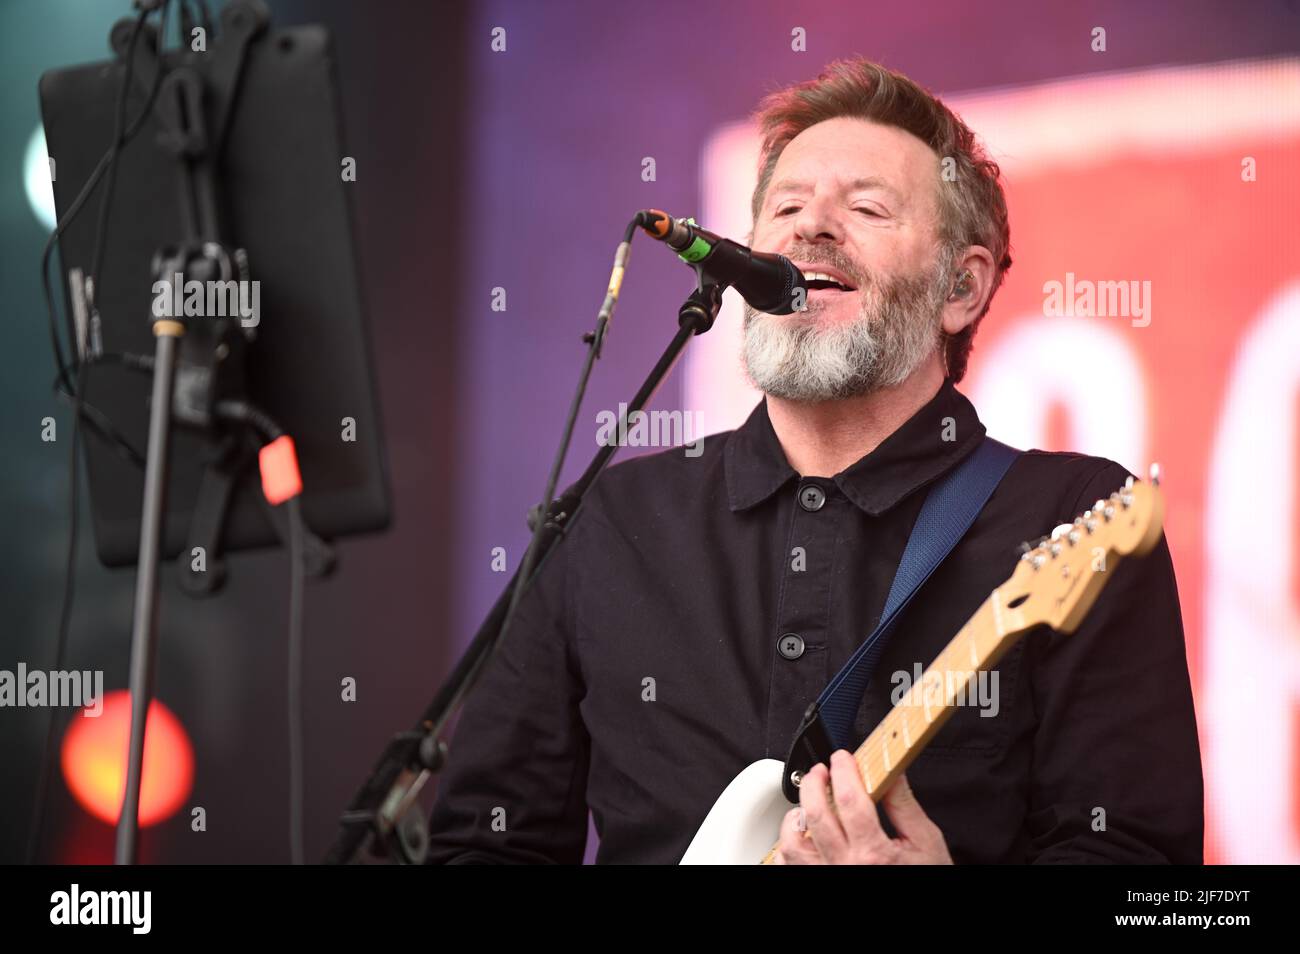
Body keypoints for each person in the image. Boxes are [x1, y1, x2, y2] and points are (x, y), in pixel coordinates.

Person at [425, 58, 1203, 864]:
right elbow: (484, 842)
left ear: (960, 290)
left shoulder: (1068, 516)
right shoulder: (614, 522)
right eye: (786, 206)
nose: (811, 228)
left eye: (867, 207)